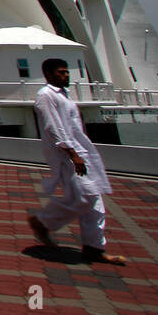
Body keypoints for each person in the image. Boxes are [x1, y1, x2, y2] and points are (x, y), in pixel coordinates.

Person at [27, 58, 127, 265]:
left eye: (67, 71)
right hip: (66, 155)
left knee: (95, 202)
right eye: (61, 72)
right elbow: (52, 127)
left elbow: (74, 127)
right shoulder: (45, 96)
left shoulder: (65, 96)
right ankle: (42, 222)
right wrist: (71, 153)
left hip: (81, 152)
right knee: (84, 197)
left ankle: (94, 248)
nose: (66, 75)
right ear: (48, 74)